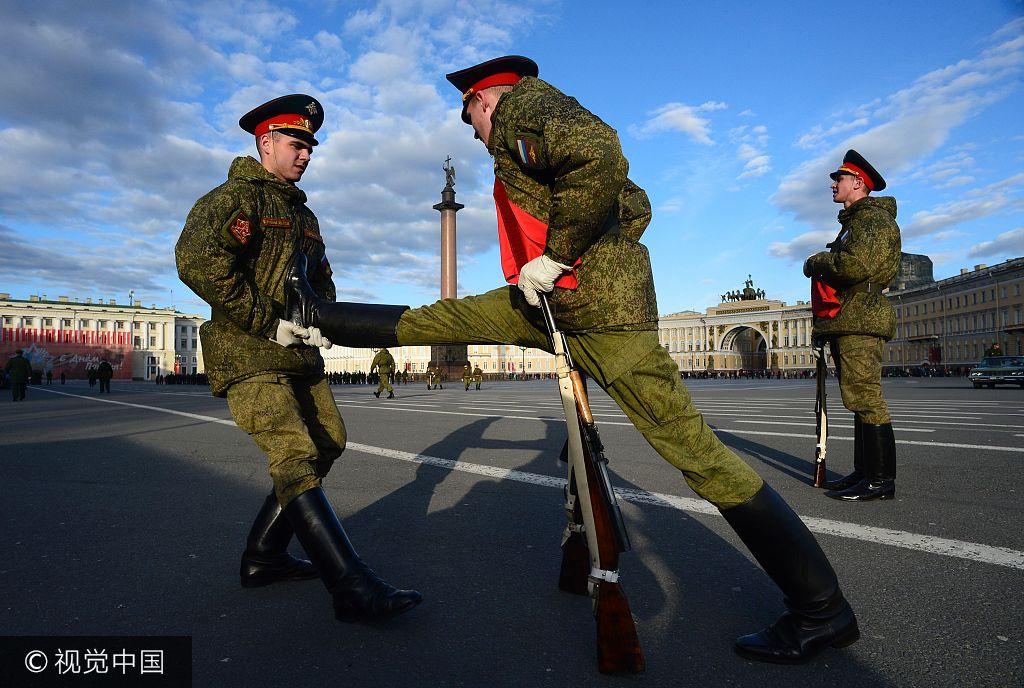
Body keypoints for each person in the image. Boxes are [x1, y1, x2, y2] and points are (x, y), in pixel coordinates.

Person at [287, 56, 857, 663]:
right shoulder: (521, 134)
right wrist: (590, 254)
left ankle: (822, 609)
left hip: (596, 311)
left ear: (485, 101)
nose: (474, 136)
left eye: (469, 120)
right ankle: (317, 317)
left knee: (697, 454)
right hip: (557, 302)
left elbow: (603, 155)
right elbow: (634, 203)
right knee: (446, 318)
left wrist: (562, 255)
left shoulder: (523, 109)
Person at [176, 93, 420, 622]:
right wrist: (270, 322)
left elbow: (323, 282)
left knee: (328, 441)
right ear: (266, 144)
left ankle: (264, 556)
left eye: (311, 145)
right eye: (296, 143)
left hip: (298, 355)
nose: (306, 153)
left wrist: (323, 325)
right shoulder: (235, 199)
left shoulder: (303, 215)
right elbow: (197, 264)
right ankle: (351, 586)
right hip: (250, 353)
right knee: (294, 454)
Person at [804, 150, 900, 502]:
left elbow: (856, 266)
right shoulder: (855, 223)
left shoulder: (872, 221)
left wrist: (819, 260)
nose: (834, 184)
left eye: (839, 178)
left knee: (866, 397)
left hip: (862, 317)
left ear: (858, 183)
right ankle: (864, 473)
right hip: (851, 316)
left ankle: (880, 480)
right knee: (857, 398)